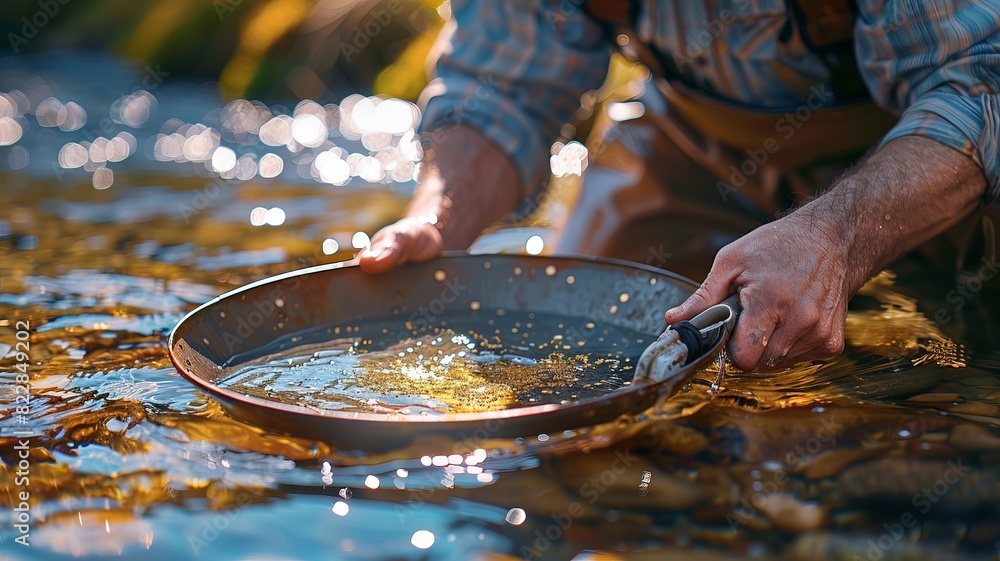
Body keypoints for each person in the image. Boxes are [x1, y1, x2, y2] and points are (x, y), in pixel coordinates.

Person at [359, 0, 1000, 372]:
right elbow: (501, 91)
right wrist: (438, 223)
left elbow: (981, 82)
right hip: (691, 135)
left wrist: (836, 238)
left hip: (921, 147)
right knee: (596, 346)